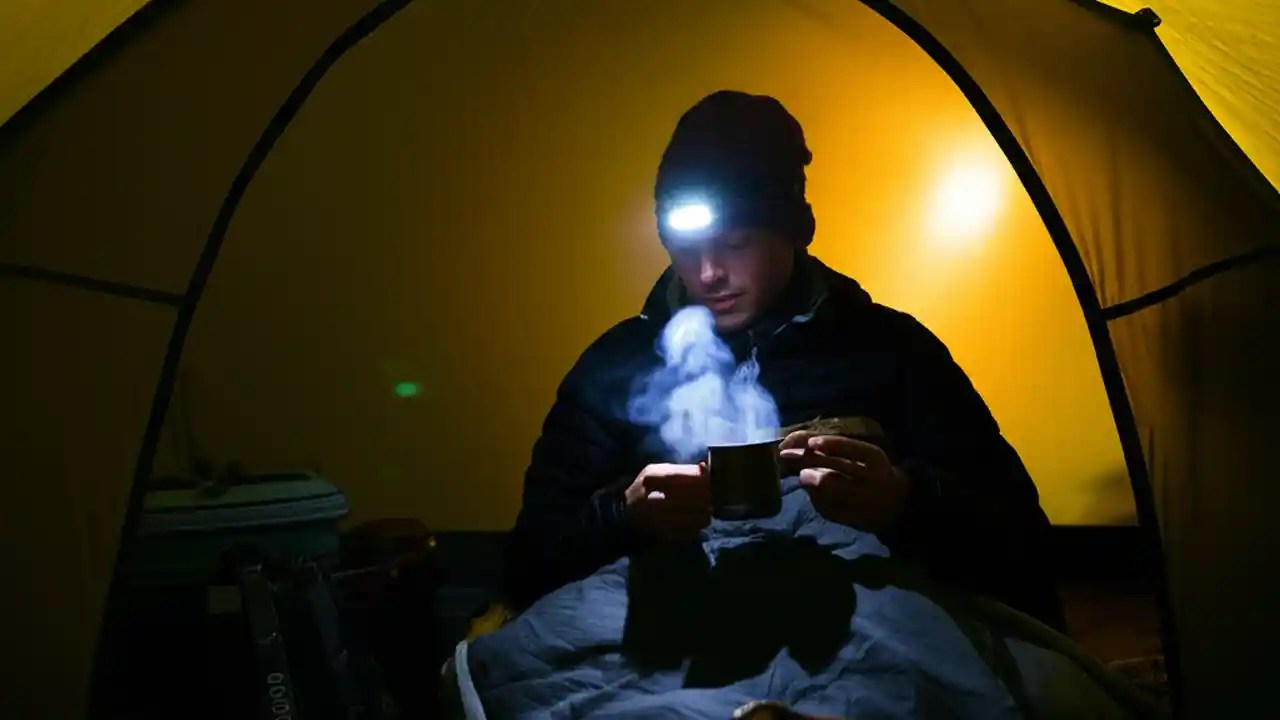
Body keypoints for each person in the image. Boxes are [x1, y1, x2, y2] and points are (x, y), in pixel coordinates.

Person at [504, 89, 1065, 631]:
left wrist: (905, 500)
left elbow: (1024, 544)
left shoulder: (891, 351)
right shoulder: (615, 368)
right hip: (677, 637)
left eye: (737, 243)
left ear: (792, 233)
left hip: (863, 635)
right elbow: (528, 565)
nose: (707, 274)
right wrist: (622, 517)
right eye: (685, 248)